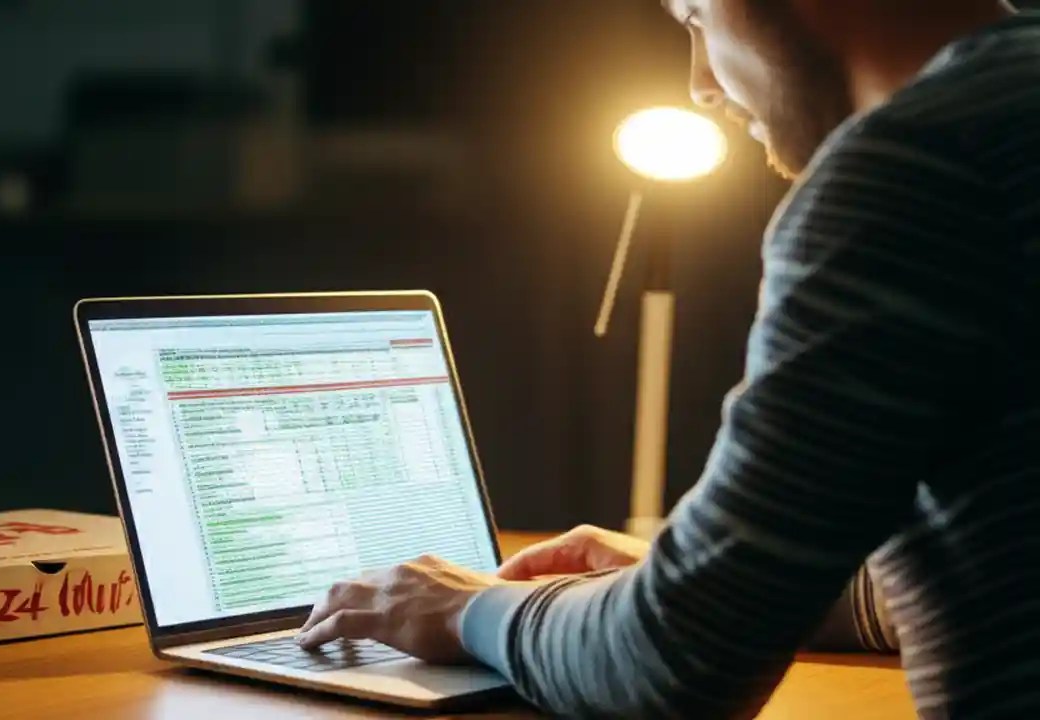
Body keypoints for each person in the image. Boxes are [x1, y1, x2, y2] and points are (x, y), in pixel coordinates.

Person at [297, 0, 1040, 716]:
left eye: (697, 18)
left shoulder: (916, 171)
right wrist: (712, 583)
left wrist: (474, 611)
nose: (700, 82)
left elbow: (672, 664)